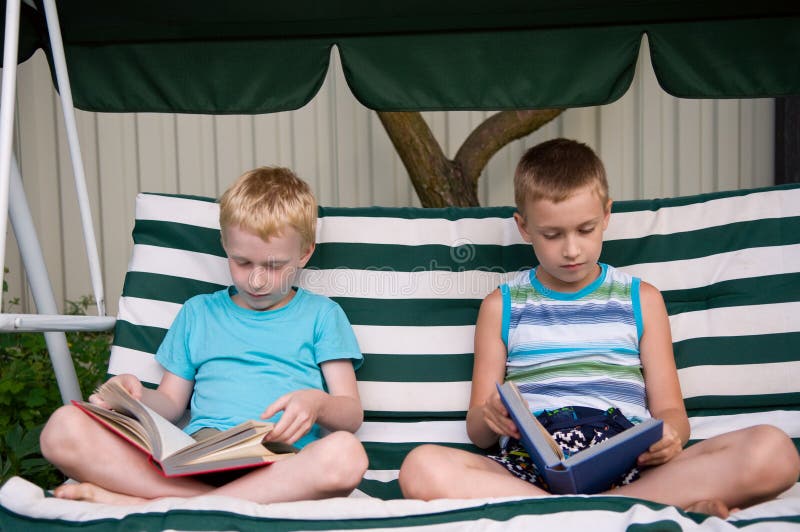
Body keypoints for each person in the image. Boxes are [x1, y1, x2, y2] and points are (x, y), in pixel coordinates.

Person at [398, 138, 800, 517]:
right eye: (552, 235)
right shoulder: (500, 306)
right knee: (420, 467)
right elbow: (478, 433)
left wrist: (671, 438)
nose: (571, 249)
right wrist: (492, 416)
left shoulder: (641, 299)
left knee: (773, 451)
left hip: (629, 459)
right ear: (523, 228)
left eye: (586, 230)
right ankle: (625, 509)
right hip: (533, 465)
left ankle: (579, 512)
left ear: (607, 215)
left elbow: (671, 413)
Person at [40, 167, 368, 505]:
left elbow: (351, 415)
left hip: (283, 463)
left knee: (347, 454)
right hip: (201, 456)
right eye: (242, 262)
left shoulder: (321, 315)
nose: (256, 280)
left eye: (273, 266)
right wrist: (135, 398)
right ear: (225, 244)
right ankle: (202, 500)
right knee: (63, 427)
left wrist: (317, 403)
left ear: (304, 253)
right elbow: (169, 404)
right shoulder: (199, 313)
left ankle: (158, 502)